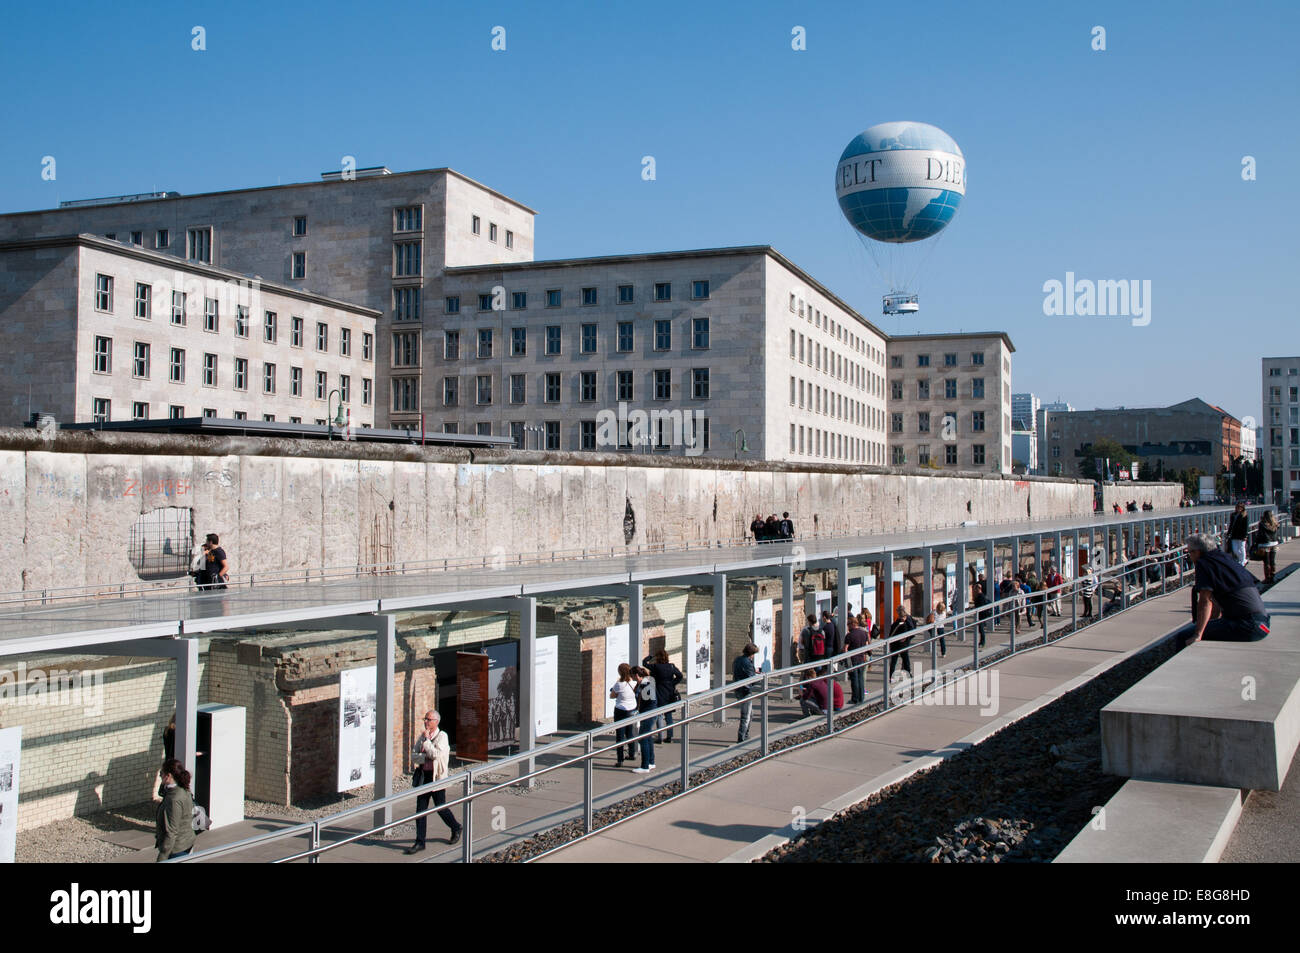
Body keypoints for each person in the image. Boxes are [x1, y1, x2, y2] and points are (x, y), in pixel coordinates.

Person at [1186, 534, 1269, 644]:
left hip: (1247, 626)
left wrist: (1198, 634)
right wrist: (1210, 624)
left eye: (1189, 552)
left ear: (1197, 552)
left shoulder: (1204, 563)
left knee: (1183, 636)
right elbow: (1215, 604)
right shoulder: (1224, 559)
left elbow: (1205, 602)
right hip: (1262, 623)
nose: (1189, 556)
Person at [404, 710, 462, 853]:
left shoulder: (442, 736)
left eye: (429, 719)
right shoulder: (422, 736)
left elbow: (436, 755)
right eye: (425, 719)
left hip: (436, 778)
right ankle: (420, 842)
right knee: (420, 810)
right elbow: (414, 755)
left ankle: (455, 827)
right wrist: (425, 757)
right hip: (424, 776)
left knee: (440, 807)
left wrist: (427, 743)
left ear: (436, 721)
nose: (426, 722)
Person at [155, 758, 197, 862]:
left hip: (176, 849)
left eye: (161, 773)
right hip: (186, 842)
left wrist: (163, 856)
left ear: (168, 776)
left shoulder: (174, 799)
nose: (160, 776)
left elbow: (172, 831)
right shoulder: (183, 789)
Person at [647, 649, 683, 743]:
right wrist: (672, 683)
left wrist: (651, 657)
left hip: (659, 691)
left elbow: (644, 663)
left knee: (659, 714)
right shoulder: (671, 666)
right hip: (669, 692)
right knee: (669, 715)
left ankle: (660, 737)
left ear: (658, 657)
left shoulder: (655, 666)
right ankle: (669, 736)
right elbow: (680, 676)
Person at [609, 663, 638, 766]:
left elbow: (612, 696)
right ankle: (632, 753)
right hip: (632, 709)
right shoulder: (634, 683)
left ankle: (620, 759)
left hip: (620, 710)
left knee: (620, 735)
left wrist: (616, 684)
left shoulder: (619, 684)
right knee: (630, 733)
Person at [732, 643, 761, 742]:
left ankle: (745, 734)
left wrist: (753, 670)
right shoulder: (748, 663)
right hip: (745, 690)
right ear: (751, 654)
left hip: (737, 688)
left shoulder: (737, 660)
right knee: (746, 715)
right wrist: (759, 677)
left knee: (750, 713)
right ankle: (742, 737)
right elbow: (752, 679)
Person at [632, 667, 657, 772]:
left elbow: (650, 701)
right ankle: (651, 762)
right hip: (648, 712)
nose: (632, 678)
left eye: (632, 676)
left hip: (648, 714)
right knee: (648, 737)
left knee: (643, 738)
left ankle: (645, 766)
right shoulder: (645, 683)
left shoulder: (646, 685)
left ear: (637, 675)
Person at [843, 615, 872, 704]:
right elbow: (867, 645)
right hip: (862, 658)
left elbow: (845, 649)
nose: (848, 626)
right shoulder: (863, 633)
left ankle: (855, 698)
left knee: (854, 679)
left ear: (852, 624)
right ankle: (861, 697)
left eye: (848, 624)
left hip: (853, 659)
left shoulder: (849, 635)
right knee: (860, 678)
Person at [887, 604, 917, 680]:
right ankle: (908, 673)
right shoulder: (907, 621)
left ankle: (891, 677)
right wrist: (908, 638)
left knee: (894, 661)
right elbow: (912, 630)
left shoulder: (896, 623)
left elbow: (891, 634)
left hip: (895, 645)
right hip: (903, 645)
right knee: (905, 659)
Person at [1255, 511, 1280, 584]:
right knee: (1272, 561)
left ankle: (1267, 578)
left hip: (1265, 544)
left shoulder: (1262, 524)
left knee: (1266, 562)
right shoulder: (1275, 523)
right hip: (1274, 543)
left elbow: (1260, 534)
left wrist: (1257, 543)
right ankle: (1272, 576)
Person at [1227, 503, 1250, 567]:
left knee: (1242, 548)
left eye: (1239, 507)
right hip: (1234, 534)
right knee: (1235, 549)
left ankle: (1242, 562)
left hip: (1242, 534)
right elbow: (1231, 525)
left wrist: (1245, 535)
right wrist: (1228, 533)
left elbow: (1246, 526)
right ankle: (1243, 559)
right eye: (1237, 507)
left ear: (1242, 508)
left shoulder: (1245, 515)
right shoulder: (1233, 515)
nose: (1238, 509)